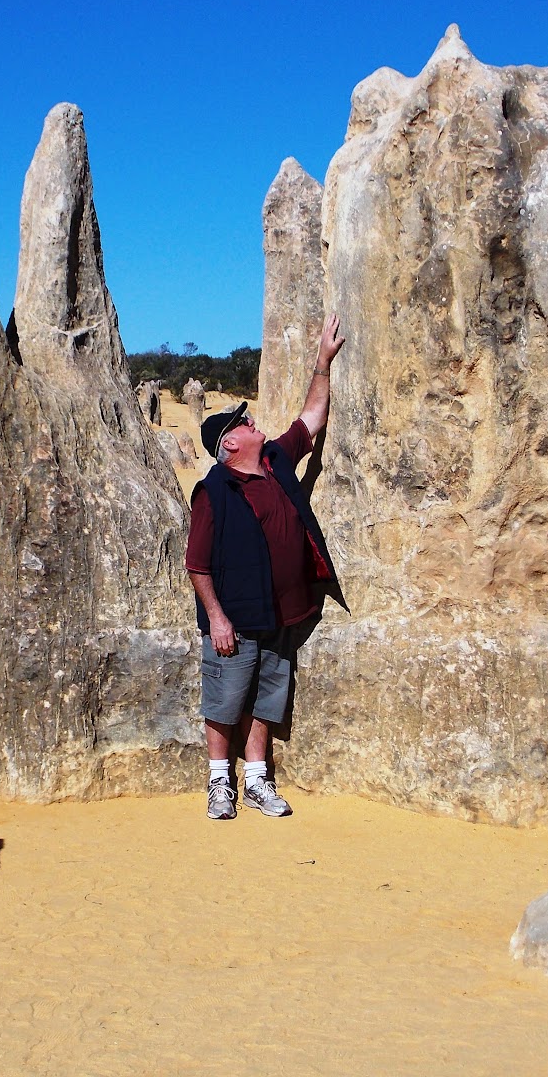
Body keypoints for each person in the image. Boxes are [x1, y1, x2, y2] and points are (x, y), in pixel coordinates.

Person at [186, 313, 346, 819]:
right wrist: (217, 618)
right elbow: (196, 564)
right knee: (225, 697)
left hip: (282, 613)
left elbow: (311, 419)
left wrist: (322, 361)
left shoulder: (276, 461)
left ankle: (257, 778)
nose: (251, 421)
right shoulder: (213, 491)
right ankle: (220, 781)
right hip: (235, 617)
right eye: (242, 422)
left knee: (266, 697)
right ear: (230, 444)